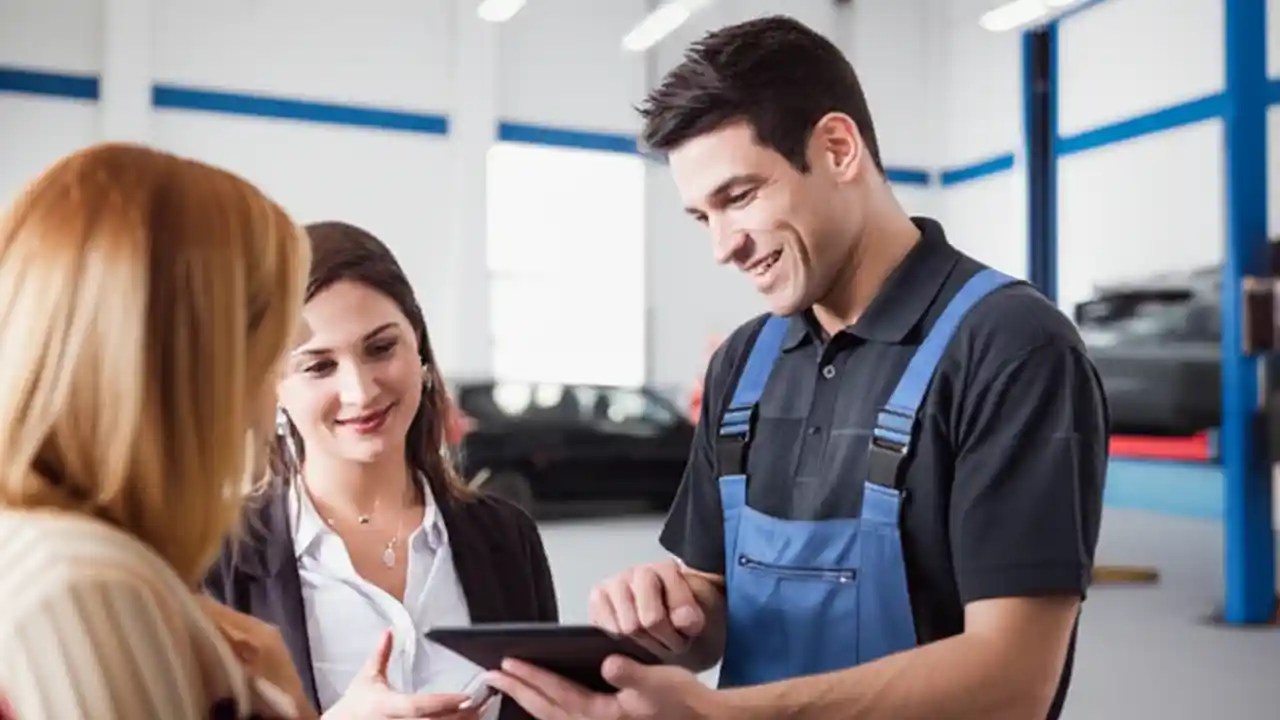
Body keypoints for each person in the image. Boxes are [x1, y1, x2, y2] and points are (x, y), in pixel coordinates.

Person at [486, 14, 1107, 720]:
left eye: (740, 197)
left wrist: (723, 716)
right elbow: (714, 602)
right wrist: (668, 615)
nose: (724, 246)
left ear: (838, 148)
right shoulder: (743, 363)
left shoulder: (1011, 348)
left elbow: (1012, 680)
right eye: (702, 217)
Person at [0, 143, 315, 718]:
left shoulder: (71, 562)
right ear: (196, 369)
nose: (276, 394)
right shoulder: (85, 582)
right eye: (271, 350)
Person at [204, 221, 559, 720]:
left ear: (419, 349)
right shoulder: (220, 559)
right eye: (318, 366)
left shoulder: (507, 537)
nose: (361, 391)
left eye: (381, 348)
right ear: (273, 386)